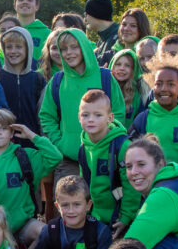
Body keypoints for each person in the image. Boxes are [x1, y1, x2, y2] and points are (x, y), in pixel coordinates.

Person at [0, 108, 60, 249]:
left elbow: (55, 157)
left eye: (4, 128)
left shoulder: (26, 156)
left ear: (12, 133)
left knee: (45, 233)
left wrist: (32, 136)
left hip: (23, 225)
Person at [39, 27, 124, 177]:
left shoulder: (105, 77)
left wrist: (107, 139)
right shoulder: (57, 81)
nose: (69, 52)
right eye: (64, 49)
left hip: (102, 158)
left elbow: (118, 112)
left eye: (74, 47)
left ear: (84, 46)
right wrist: (61, 143)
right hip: (68, 162)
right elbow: (46, 116)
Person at [77, 89, 137, 230]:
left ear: (110, 118)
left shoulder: (122, 146)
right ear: (79, 117)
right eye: (85, 115)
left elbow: (132, 186)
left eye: (98, 115)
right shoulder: (83, 148)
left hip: (120, 218)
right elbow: (84, 182)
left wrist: (126, 217)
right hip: (94, 217)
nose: (91, 119)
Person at [131, 55, 178, 166]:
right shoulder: (143, 119)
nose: (164, 89)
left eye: (171, 84)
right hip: (154, 176)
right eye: (158, 84)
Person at [0, 26, 45, 137]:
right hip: (2, 141)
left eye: (18, 47)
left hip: (32, 140)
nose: (13, 51)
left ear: (28, 49)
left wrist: (42, 140)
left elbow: (43, 115)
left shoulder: (38, 79)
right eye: (9, 47)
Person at [110, 48, 150, 127]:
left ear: (133, 70)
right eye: (118, 64)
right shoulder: (105, 88)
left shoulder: (137, 94)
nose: (122, 68)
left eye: (127, 66)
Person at [83, 0, 118, 64]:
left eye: (86, 14)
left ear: (95, 14)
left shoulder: (118, 38)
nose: (85, 20)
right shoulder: (103, 40)